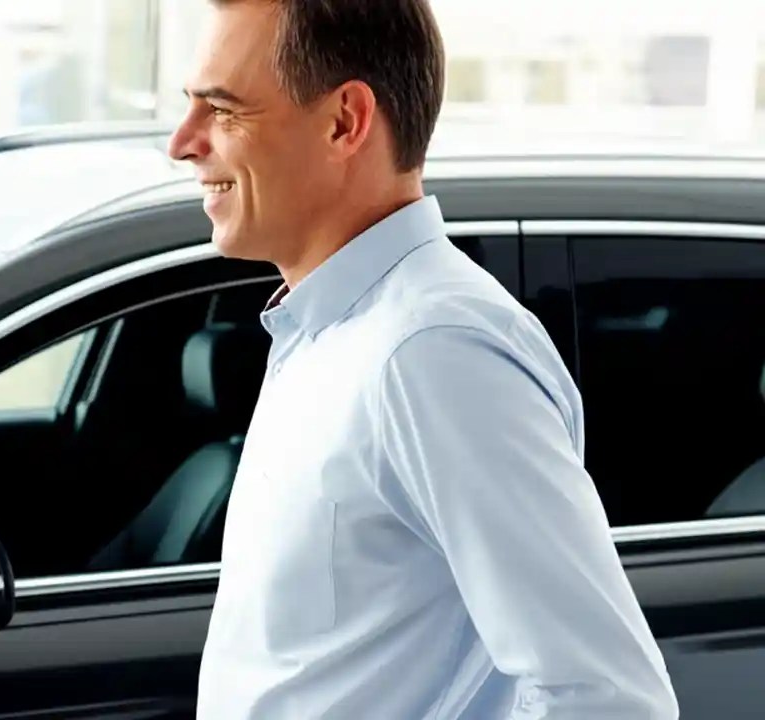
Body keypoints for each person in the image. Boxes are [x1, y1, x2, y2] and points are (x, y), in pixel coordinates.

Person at [165, 1, 680, 718]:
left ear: (345, 121)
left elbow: (607, 697)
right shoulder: (334, 331)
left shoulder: (432, 352)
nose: (183, 143)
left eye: (223, 109)